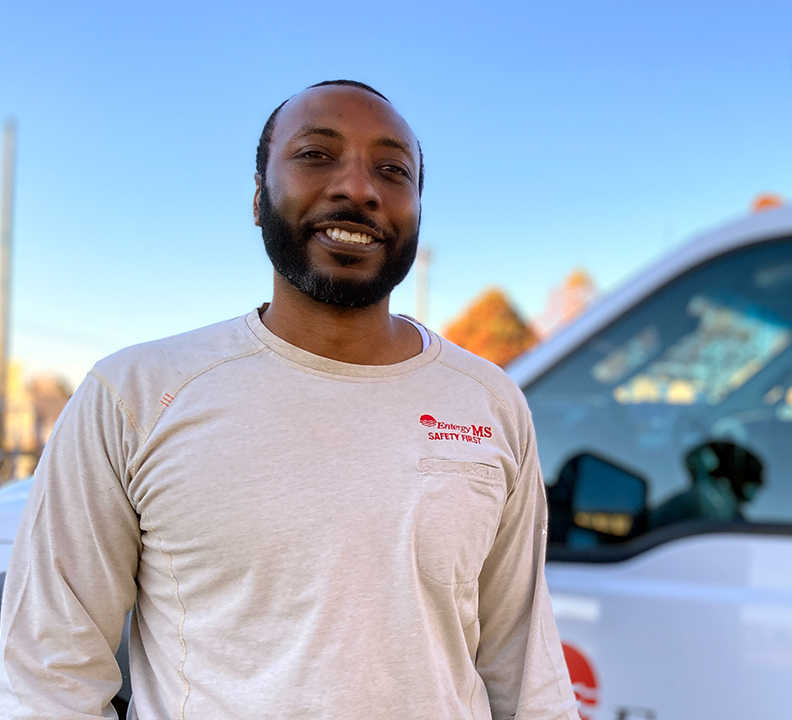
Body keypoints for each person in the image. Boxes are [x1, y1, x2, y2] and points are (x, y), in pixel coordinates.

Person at [0, 80, 578, 719]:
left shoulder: (489, 403)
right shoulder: (133, 395)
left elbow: (525, 674)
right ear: (257, 197)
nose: (358, 189)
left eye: (393, 170)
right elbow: (48, 676)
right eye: (315, 155)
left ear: (417, 207)